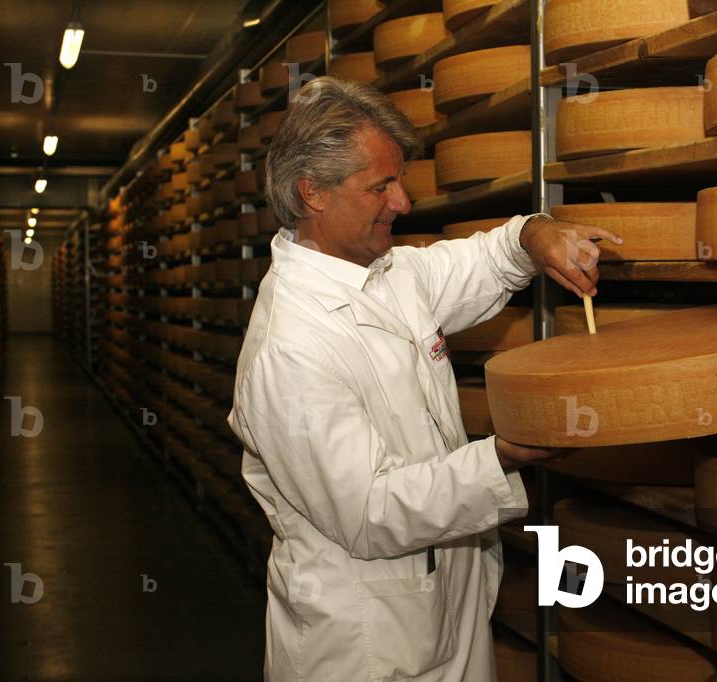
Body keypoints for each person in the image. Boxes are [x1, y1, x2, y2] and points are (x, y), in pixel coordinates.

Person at [227, 77, 621, 681]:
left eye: (399, 180)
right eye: (380, 186)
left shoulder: (386, 272)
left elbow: (489, 257)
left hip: (444, 611)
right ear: (313, 195)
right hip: (366, 643)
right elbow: (368, 511)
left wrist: (537, 235)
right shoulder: (289, 347)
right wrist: (503, 456)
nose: (403, 202)